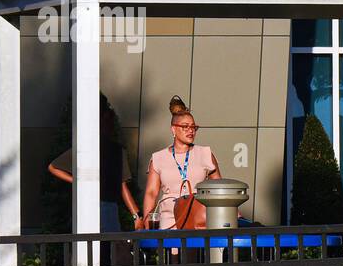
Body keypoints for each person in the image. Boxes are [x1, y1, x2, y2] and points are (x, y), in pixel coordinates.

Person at [47, 94, 141, 232]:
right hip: (90, 206)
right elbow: (53, 167)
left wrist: (137, 216)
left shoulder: (116, 150)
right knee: (92, 248)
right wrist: (78, 181)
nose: (110, 124)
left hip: (109, 207)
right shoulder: (87, 146)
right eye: (107, 119)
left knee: (107, 248)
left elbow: (122, 185)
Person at [138, 95, 221, 230]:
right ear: (173, 129)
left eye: (194, 127)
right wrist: (147, 221)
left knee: (195, 249)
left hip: (198, 217)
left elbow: (219, 188)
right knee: (172, 249)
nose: (191, 130)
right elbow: (151, 193)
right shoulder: (158, 158)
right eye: (185, 126)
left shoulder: (205, 153)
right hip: (169, 220)